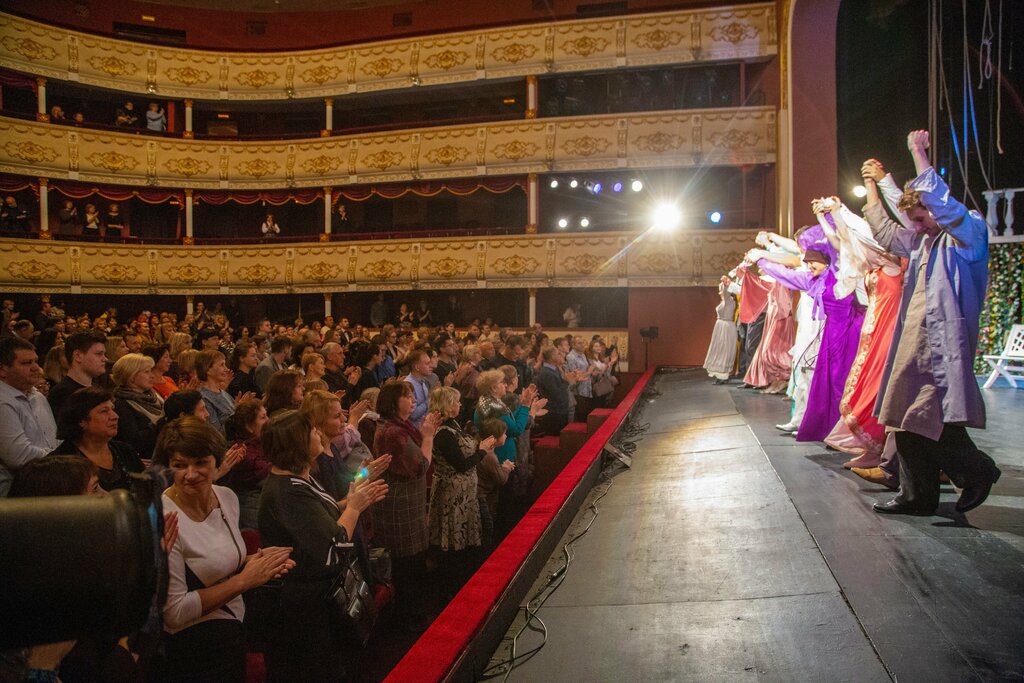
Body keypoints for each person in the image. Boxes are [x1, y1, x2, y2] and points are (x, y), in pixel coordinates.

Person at [864, 131, 1000, 516]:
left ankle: (976, 471)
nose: (919, 226)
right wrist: (874, 188)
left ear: (936, 211)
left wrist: (918, 153)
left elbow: (940, 203)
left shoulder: (967, 234)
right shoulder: (926, 241)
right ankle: (918, 496)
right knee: (904, 415)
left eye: (922, 219)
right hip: (915, 339)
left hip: (941, 343)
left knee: (925, 417)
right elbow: (889, 233)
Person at [156, 417, 294, 683]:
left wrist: (261, 562)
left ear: (217, 462)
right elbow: (174, 613)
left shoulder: (226, 497)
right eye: (179, 465)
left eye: (200, 463)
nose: (190, 474)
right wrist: (245, 580)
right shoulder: (164, 519)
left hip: (233, 633)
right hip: (194, 651)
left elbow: (223, 563)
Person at [258, 409, 387, 681]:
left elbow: (324, 514)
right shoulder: (287, 491)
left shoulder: (298, 478)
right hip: (308, 604)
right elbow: (333, 546)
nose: (318, 433)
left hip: (319, 597)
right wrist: (354, 508)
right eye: (312, 432)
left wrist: (352, 499)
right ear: (298, 444)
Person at [372, 380, 439, 631]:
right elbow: (421, 465)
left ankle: (412, 615)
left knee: (412, 563)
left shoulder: (400, 426)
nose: (413, 400)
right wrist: (429, 437)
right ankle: (408, 621)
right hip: (400, 508)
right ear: (392, 402)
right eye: (407, 396)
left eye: (413, 396)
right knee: (407, 566)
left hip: (407, 504)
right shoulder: (393, 432)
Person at [428, 386, 492, 597]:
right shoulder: (443, 434)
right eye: (455, 401)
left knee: (464, 542)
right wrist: (482, 450)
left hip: (465, 494)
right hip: (452, 496)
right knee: (454, 543)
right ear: (446, 405)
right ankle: (453, 589)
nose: (460, 404)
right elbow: (462, 464)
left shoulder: (453, 425)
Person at [48, 387, 145, 491]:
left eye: (113, 409)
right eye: (104, 411)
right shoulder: (61, 463)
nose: (115, 416)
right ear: (82, 421)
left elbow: (147, 492)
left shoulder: (125, 451)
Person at [0, 337, 59, 496]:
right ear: (2, 369)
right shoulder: (2, 401)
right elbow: (19, 455)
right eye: (26, 363)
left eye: (36, 361)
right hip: (15, 497)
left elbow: (53, 438)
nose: (36, 368)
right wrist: (63, 460)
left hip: (47, 483)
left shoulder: (37, 396)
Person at [474, 369, 544, 465]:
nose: (506, 385)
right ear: (494, 388)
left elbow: (509, 420)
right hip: (501, 456)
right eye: (502, 383)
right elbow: (516, 429)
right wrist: (525, 406)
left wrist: (524, 405)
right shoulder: (495, 409)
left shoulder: (486, 403)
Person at [223, 398, 270, 530]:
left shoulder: (262, 443)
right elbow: (273, 474)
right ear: (249, 427)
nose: (268, 421)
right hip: (254, 518)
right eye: (263, 417)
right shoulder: (243, 453)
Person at [110, 353, 164, 461]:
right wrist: (161, 424)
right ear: (131, 376)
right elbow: (134, 441)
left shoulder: (155, 396)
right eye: (146, 372)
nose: (152, 375)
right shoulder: (121, 405)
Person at [48, 330, 107, 419]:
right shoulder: (62, 394)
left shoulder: (97, 388)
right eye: (99, 354)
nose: (105, 359)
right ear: (78, 356)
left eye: (104, 354)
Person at [475, 418, 514, 551]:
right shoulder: (489, 455)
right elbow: (501, 479)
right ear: (494, 438)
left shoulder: (483, 448)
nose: (506, 436)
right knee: (487, 529)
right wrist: (507, 467)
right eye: (504, 433)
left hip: (481, 496)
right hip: (482, 498)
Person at [196, 349, 237, 433]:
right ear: (208, 370)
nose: (227, 369)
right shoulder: (203, 398)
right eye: (222, 365)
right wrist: (238, 413)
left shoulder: (223, 393)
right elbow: (216, 432)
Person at [402, 348, 432, 426]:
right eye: (427, 364)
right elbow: (412, 414)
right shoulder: (408, 385)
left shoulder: (422, 382)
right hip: (414, 431)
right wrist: (429, 399)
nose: (431, 366)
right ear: (417, 367)